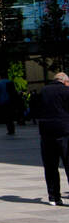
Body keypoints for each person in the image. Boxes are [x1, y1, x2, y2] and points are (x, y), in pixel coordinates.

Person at [32, 71, 69, 205]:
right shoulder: (66, 91)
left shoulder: (43, 91)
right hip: (65, 131)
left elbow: (34, 108)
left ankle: (53, 197)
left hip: (46, 132)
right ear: (65, 81)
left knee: (50, 166)